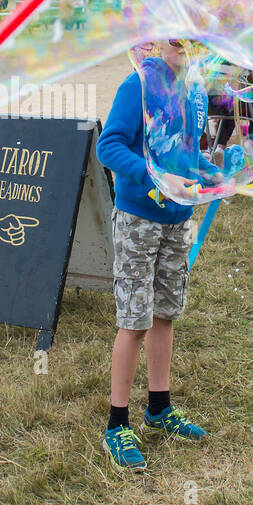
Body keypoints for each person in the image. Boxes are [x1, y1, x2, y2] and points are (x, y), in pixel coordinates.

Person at [95, 39, 217, 471]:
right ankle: (117, 424)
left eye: (192, 36)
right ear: (156, 40)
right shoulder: (138, 86)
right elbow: (108, 147)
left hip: (178, 220)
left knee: (165, 312)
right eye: (174, 36)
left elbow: (187, 154)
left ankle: (159, 408)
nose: (183, 44)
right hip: (138, 220)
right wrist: (153, 176)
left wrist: (216, 171)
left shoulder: (196, 92)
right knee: (134, 321)